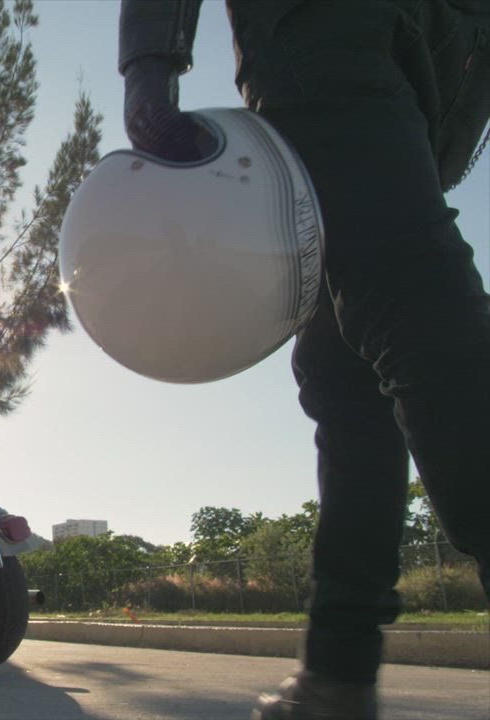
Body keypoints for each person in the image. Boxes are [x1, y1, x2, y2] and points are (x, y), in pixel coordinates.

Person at [115, 1, 490, 718]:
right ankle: (337, 674)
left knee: (414, 313)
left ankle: (336, 677)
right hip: (445, 51)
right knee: (347, 367)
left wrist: (149, 62)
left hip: (334, 32)